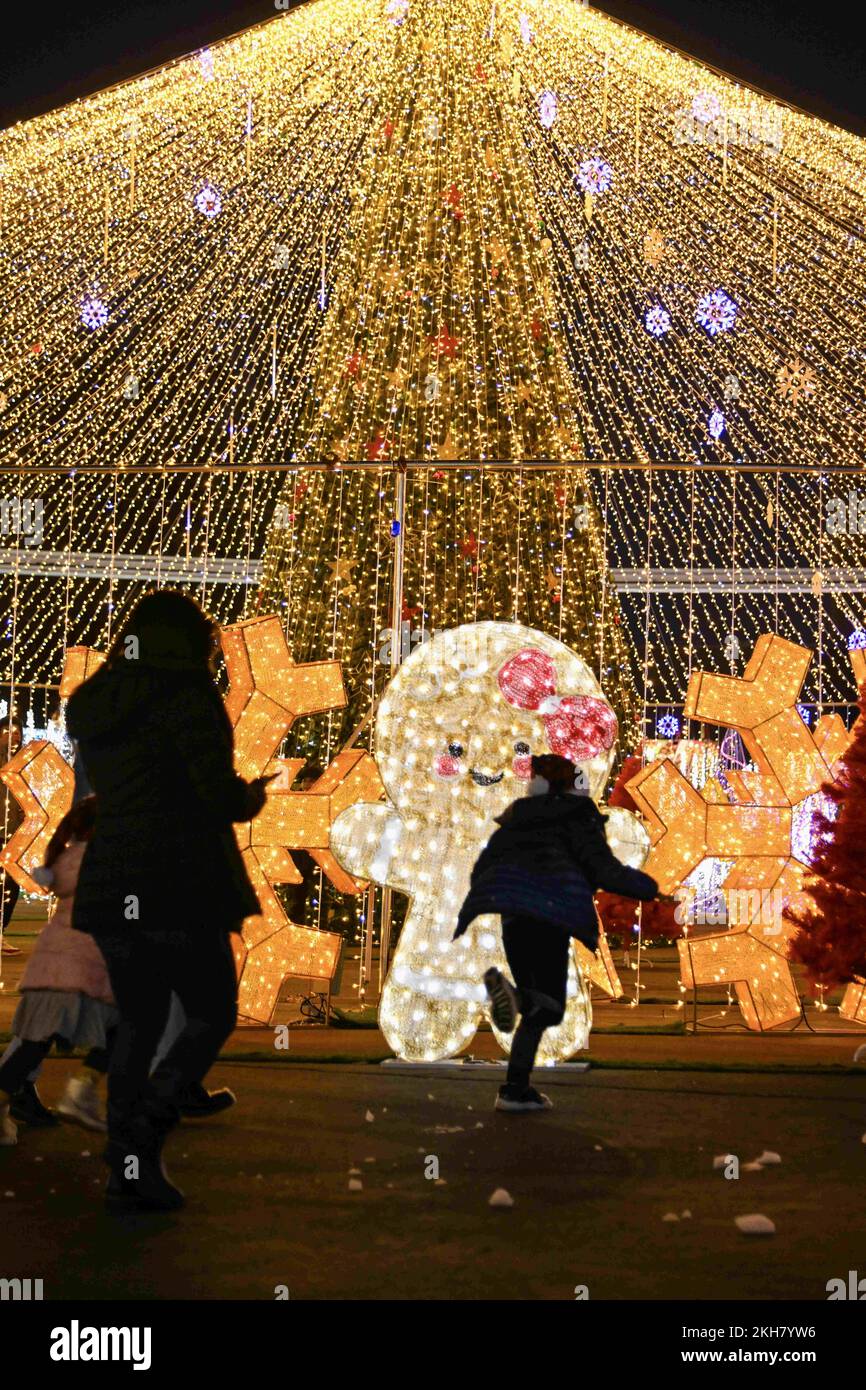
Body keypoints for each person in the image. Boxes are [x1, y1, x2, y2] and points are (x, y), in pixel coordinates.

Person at [66, 590, 271, 1210]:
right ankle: (146, 1129)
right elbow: (211, 792)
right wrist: (249, 799)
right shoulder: (186, 694)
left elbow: (119, 785)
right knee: (211, 1010)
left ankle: (127, 1163)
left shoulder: (95, 701)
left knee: (139, 1019)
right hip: (179, 877)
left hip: (115, 876)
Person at [454, 752, 659, 1113]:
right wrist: (648, 887)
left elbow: (484, 867)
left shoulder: (519, 817)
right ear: (571, 784)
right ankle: (515, 1068)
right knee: (548, 1008)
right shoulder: (577, 817)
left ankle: (514, 1086)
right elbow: (602, 868)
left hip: (514, 919)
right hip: (549, 919)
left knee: (538, 1005)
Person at [0, 797, 118, 1145]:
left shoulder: (65, 859)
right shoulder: (104, 864)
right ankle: (82, 1089)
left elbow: (50, 880)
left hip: (48, 967)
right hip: (84, 969)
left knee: (34, 1044)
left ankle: (8, 1102)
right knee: (125, 1028)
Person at [0, 716, 24, 956]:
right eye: (9, 730)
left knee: (10, 885)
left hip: (14, 833)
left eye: (18, 731)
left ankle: (0, 932)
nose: (14, 735)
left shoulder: (20, 761)